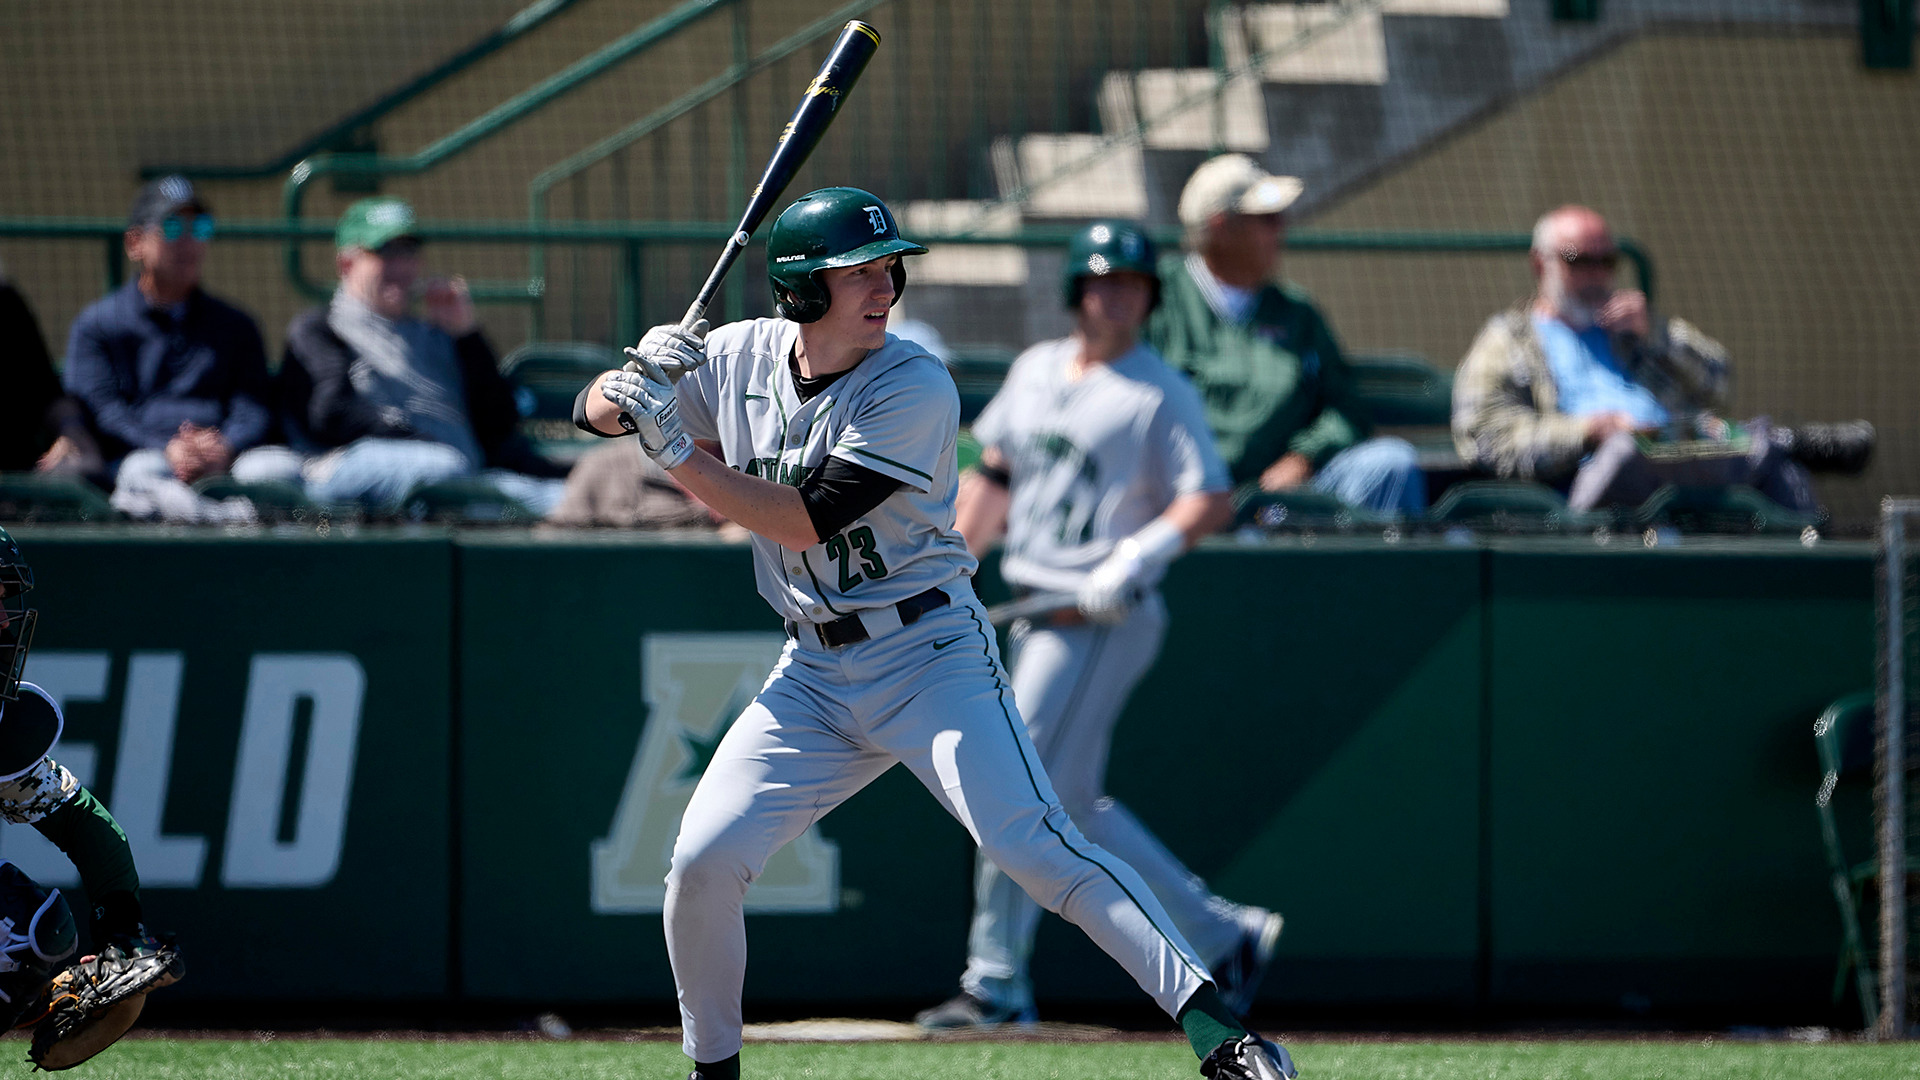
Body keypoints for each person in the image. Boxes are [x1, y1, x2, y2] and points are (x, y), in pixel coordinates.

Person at [574, 188, 1298, 1080]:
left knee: (1036, 845)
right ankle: (711, 1072)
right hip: (812, 671)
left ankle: (1222, 1035)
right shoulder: (733, 356)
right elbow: (590, 418)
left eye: (889, 268)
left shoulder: (913, 382)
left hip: (929, 658)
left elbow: (805, 520)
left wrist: (675, 450)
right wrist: (631, 379)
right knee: (702, 861)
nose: (885, 287)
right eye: (860, 273)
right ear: (801, 291)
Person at [915, 221, 1281, 1032]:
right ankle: (1222, 936)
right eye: (1101, 280)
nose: (1114, 294)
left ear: (1150, 297)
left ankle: (996, 984)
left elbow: (1209, 497)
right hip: (1034, 603)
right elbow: (995, 476)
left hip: (1100, 613)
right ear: (1076, 290)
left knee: (1010, 791)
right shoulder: (1036, 368)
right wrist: (948, 567)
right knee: (1067, 803)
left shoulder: (1159, 388)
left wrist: (1140, 555)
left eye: (1132, 283)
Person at [1452, 205, 1838, 513]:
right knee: (1625, 452)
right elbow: (1486, 437)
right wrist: (1591, 431)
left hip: (1677, 454)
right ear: (1541, 264)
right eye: (1578, 260)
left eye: (1607, 260)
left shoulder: (1637, 330)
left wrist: (1659, 336)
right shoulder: (1508, 340)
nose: (1596, 274)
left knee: (1773, 458)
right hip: (1593, 475)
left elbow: (1720, 385)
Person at [1148, 154, 1425, 516]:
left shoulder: (1297, 312)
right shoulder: (1156, 300)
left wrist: (1303, 457)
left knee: (1391, 464)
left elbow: (1345, 409)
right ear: (1221, 228)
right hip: (1181, 501)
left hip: (1283, 505)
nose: (1281, 230)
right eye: (1268, 220)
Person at [0, 527, 184, 1068]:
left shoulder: (5, 725)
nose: (6, 620)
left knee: (31, 924)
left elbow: (84, 824)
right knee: (24, 929)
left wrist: (121, 933)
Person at [278, 197, 569, 513]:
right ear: (347, 264)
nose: (402, 267)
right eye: (386, 253)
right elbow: (329, 413)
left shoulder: (436, 334)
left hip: (464, 481)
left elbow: (499, 424)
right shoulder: (324, 327)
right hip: (354, 474)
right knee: (441, 467)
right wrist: (416, 438)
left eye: (409, 253)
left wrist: (467, 335)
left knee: (579, 496)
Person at [61, 176, 283, 520]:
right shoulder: (98, 324)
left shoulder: (236, 324)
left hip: (224, 459)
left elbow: (253, 406)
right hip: (143, 457)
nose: (190, 241)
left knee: (275, 470)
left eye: (201, 227)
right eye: (173, 226)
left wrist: (226, 446)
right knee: (142, 473)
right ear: (135, 243)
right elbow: (103, 410)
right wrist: (165, 447)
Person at [0, 272, 99, 479]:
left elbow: (48, 394)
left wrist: (70, 430)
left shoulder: (5, 299)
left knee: (81, 469)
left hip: (18, 477)